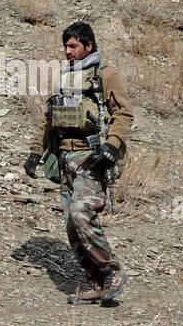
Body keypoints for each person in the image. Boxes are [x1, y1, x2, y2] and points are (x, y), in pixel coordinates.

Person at [24, 21, 132, 304]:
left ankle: (113, 270)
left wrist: (112, 145)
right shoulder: (65, 78)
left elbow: (123, 114)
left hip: (90, 157)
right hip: (64, 159)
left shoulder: (106, 75)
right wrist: (36, 153)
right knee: (72, 226)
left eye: (73, 45)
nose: (67, 51)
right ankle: (96, 282)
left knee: (81, 211)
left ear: (89, 46)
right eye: (65, 46)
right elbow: (50, 120)